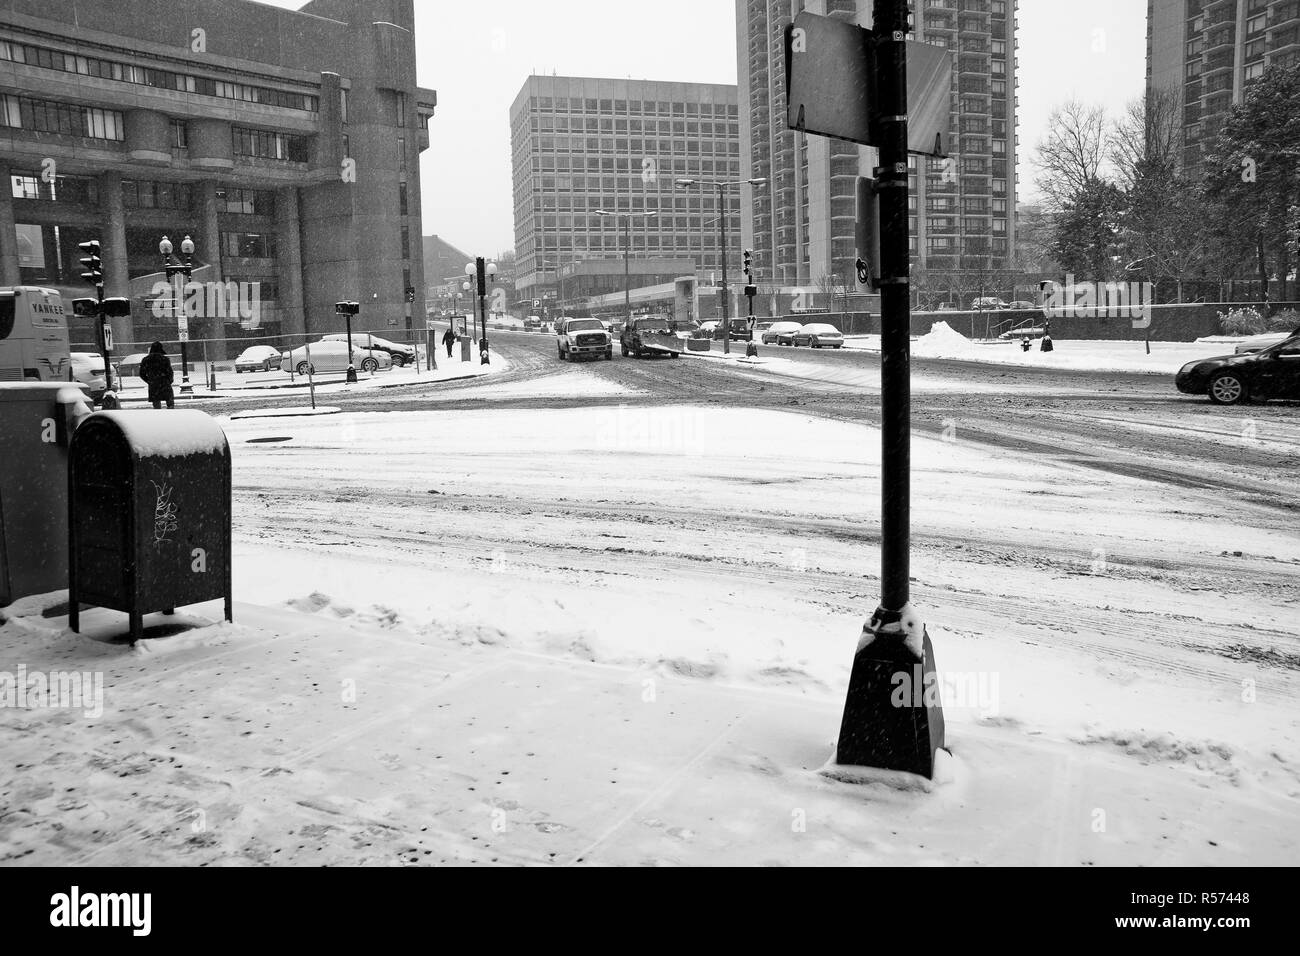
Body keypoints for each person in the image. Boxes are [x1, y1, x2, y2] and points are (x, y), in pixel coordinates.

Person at [139, 341, 175, 409]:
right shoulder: (164, 359)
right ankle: (170, 415)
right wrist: (169, 381)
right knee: (169, 402)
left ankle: (158, 417)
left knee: (156, 404)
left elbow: (141, 373)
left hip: (153, 385)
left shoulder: (146, 360)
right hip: (165, 383)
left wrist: (149, 381)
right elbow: (170, 372)